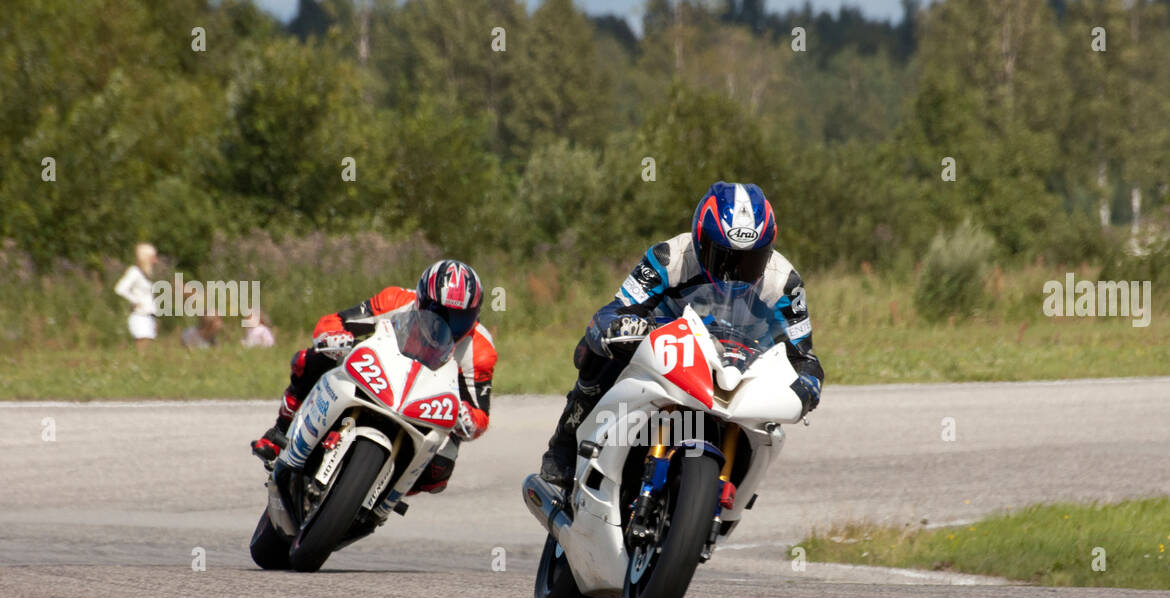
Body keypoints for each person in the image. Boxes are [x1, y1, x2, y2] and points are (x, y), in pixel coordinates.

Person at [537, 181, 824, 487]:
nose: (735, 273)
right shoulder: (669, 257)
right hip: (668, 348)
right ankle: (563, 448)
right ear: (700, 242)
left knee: (772, 423)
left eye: (751, 260)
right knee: (597, 353)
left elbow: (803, 354)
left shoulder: (785, 283)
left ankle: (734, 485)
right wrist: (621, 327)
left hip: (739, 364)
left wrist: (808, 384)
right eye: (723, 258)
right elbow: (614, 311)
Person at [251, 259, 495, 496]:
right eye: (438, 312)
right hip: (380, 374)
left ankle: (385, 493)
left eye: (460, 317)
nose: (446, 324)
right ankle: (278, 432)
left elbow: (480, 415)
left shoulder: (481, 349)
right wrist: (335, 337)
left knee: (439, 471)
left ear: (475, 314)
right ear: (421, 299)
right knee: (312, 358)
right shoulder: (396, 300)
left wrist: (467, 417)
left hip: (425, 401)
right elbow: (333, 322)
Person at [113, 243, 160, 352]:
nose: (156, 261)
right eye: (153, 257)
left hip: (149, 316)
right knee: (142, 349)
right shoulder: (134, 271)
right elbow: (120, 289)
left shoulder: (148, 274)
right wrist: (135, 301)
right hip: (140, 316)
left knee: (148, 350)